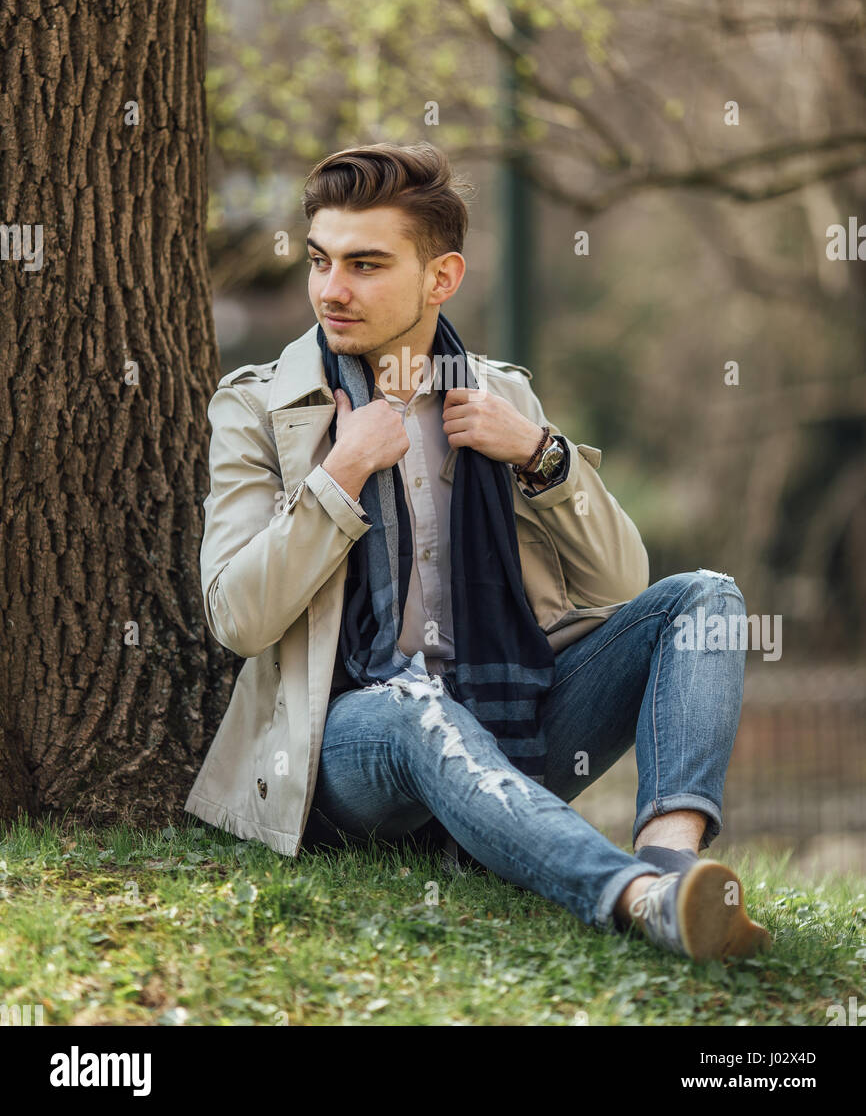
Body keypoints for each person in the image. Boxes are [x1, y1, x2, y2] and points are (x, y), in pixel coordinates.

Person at [185, 142, 770, 962]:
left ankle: (671, 859)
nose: (331, 289)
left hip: (511, 725)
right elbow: (238, 618)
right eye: (320, 261)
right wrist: (342, 471)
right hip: (355, 746)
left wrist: (540, 451)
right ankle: (638, 901)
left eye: (365, 264)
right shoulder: (259, 409)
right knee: (416, 705)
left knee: (706, 599)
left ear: (441, 278)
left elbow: (619, 582)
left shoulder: (500, 396)